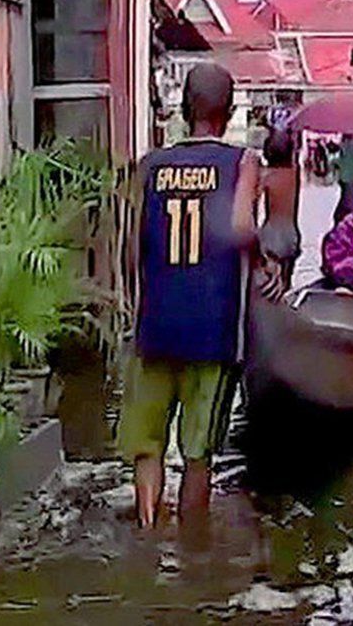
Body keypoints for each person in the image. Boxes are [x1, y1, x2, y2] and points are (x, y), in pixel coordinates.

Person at [116, 62, 261, 529]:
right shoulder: (242, 163)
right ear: (231, 108)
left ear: (182, 108)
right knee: (198, 455)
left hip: (156, 324)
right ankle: (190, 552)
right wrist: (265, 252)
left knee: (147, 444)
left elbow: (131, 247)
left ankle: (148, 532)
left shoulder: (151, 164)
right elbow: (240, 229)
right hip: (213, 328)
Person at [258, 126, 301, 299]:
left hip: (272, 234)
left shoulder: (267, 176)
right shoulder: (295, 173)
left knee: (271, 286)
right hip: (292, 233)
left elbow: (254, 199)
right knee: (286, 282)